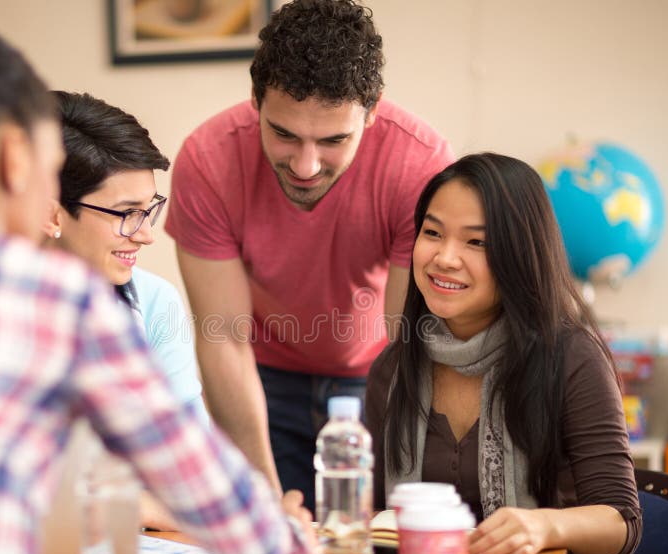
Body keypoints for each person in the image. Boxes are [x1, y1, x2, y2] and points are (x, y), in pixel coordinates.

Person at [0, 2, 314, 554]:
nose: (144, 234)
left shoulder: (143, 301)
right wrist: (289, 553)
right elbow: (201, 484)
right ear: (19, 165)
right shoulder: (52, 298)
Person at [167, 0, 454, 509]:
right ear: (255, 100)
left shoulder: (420, 164)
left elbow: (404, 339)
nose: (305, 165)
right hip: (261, 376)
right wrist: (264, 500)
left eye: (333, 140)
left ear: (373, 109)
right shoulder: (207, 160)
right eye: (283, 134)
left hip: (377, 371)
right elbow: (224, 339)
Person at [364, 152, 643, 554]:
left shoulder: (571, 358)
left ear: (520, 255)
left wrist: (544, 525)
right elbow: (371, 521)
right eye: (432, 233)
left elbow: (622, 524)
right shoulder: (395, 367)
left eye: (477, 242)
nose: (444, 257)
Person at [42, 90, 206, 530]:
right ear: (51, 214)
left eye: (148, 209)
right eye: (125, 214)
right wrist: (140, 506)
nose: (146, 235)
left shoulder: (153, 303)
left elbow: (192, 470)